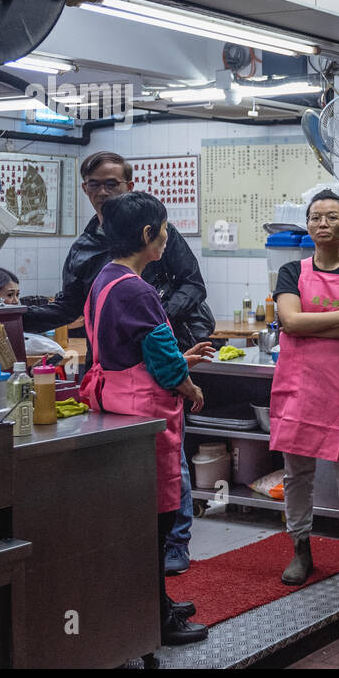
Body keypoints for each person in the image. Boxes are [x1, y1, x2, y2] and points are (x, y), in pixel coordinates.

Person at [25, 151, 212, 575]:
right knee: (143, 468)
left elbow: (192, 286)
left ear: (130, 185)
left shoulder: (147, 249)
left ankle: (172, 545)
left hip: (156, 364)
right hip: (124, 372)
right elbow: (69, 305)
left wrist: (154, 313)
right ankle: (142, 547)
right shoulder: (93, 252)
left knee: (169, 463)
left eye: (113, 184)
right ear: (85, 189)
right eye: (96, 184)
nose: (104, 192)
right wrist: (11, 315)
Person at [81, 192, 215, 646]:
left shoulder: (105, 279)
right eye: (163, 229)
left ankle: (154, 602)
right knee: (153, 523)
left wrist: (181, 358)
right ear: (146, 235)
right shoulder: (138, 288)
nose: (166, 237)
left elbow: (135, 349)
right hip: (146, 416)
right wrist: (189, 383)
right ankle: (156, 618)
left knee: (139, 522)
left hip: (116, 404)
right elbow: (161, 361)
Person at [271, 190, 339, 585]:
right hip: (300, 387)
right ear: (307, 225)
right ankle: (301, 547)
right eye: (316, 217)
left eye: (332, 217)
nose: (323, 224)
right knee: (297, 473)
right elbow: (290, 322)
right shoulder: (291, 272)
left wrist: (312, 322)